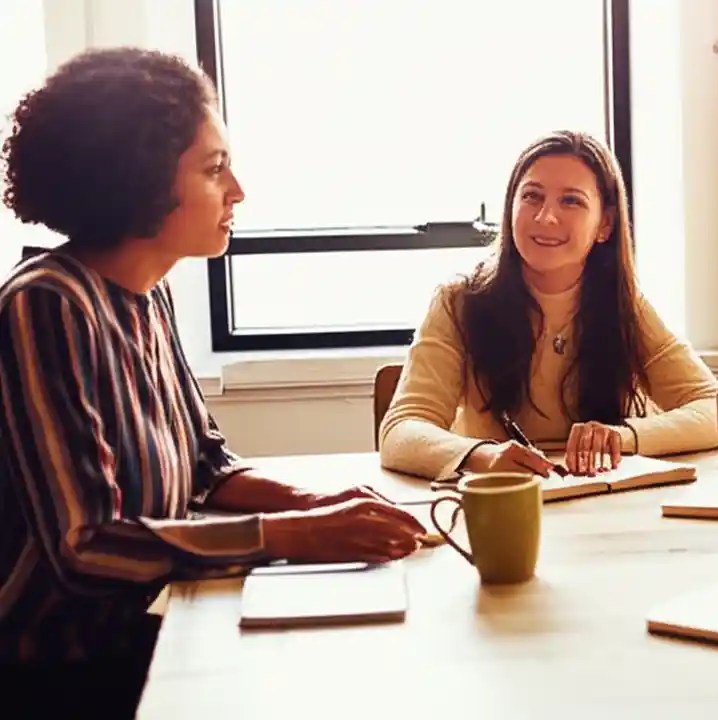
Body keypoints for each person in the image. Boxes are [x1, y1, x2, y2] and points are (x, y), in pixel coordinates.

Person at [0, 48, 427, 716]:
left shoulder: (148, 296)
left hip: (146, 636)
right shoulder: (47, 304)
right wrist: (296, 536)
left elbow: (204, 468)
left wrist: (312, 502)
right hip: (58, 675)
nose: (238, 191)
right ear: (137, 179)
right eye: (215, 168)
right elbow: (84, 547)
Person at [379, 131, 718, 480]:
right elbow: (401, 430)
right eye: (531, 196)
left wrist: (622, 438)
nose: (545, 217)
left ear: (605, 224)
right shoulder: (458, 303)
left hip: (603, 510)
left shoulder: (625, 307)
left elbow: (717, 409)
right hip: (505, 506)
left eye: (571, 201)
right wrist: (484, 457)